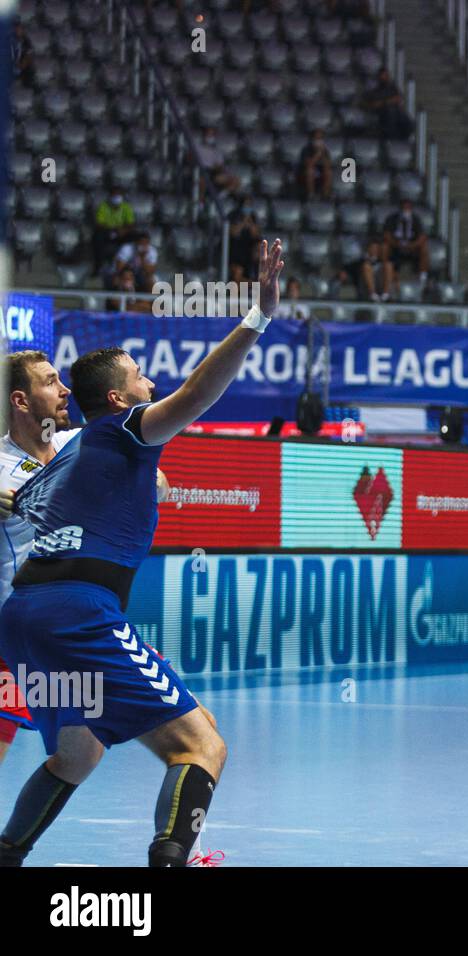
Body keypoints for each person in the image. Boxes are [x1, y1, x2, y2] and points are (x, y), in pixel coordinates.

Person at [0, 240, 285, 868]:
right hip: (76, 612)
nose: (149, 382)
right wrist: (256, 318)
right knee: (202, 745)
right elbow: (195, 396)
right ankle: (172, 864)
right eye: (139, 378)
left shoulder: (70, 453)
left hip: (21, 618)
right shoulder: (118, 428)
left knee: (76, 755)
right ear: (121, 399)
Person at [0, 352, 81, 769]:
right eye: (51, 382)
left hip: (75, 631)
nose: (65, 390)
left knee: (194, 725)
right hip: (12, 639)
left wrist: (146, 478)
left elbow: (156, 480)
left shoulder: (77, 445)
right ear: (21, 400)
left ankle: (188, 838)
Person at [381, 200, 430, 290]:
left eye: (407, 208)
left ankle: (423, 277)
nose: (405, 210)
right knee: (385, 247)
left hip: (412, 247)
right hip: (395, 246)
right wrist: (397, 244)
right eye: (404, 208)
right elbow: (386, 235)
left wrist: (412, 245)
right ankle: (386, 272)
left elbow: (422, 237)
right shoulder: (392, 219)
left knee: (424, 247)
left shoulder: (416, 219)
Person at [92, 192, 138, 275]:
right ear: (110, 197)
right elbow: (99, 223)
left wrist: (124, 230)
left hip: (122, 232)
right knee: (97, 237)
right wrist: (111, 229)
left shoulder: (126, 207)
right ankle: (98, 265)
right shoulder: (103, 206)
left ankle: (132, 265)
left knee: (134, 236)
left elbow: (131, 224)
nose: (117, 198)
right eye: (114, 195)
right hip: (107, 231)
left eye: (118, 195)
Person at [361, 68, 412, 140]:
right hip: (382, 114)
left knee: (404, 118)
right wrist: (388, 102)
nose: (385, 77)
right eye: (383, 75)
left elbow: (398, 98)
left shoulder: (392, 88)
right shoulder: (375, 91)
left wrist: (386, 102)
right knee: (391, 112)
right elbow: (374, 104)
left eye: (386, 75)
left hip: (396, 113)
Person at [297, 128, 333, 200]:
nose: (319, 141)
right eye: (317, 138)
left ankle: (325, 194)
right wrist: (318, 154)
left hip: (320, 171)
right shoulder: (306, 149)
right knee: (310, 171)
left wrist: (323, 155)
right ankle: (311, 194)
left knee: (328, 172)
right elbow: (309, 164)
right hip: (305, 171)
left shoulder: (325, 150)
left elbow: (328, 164)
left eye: (321, 138)